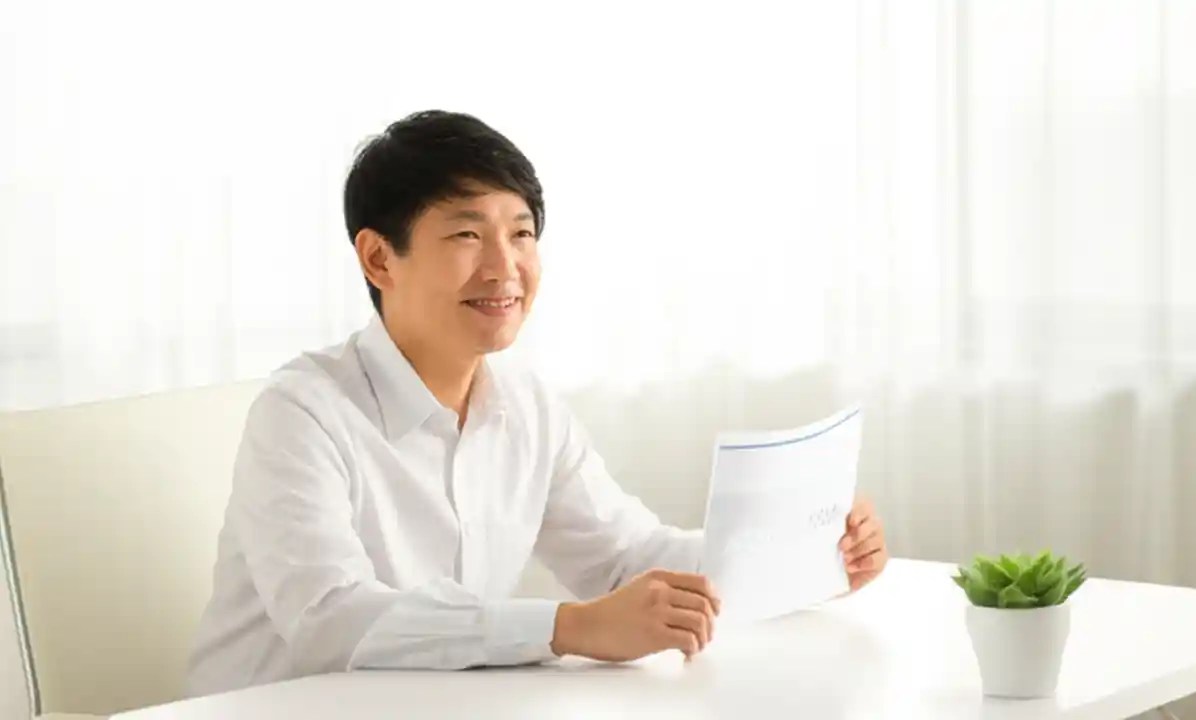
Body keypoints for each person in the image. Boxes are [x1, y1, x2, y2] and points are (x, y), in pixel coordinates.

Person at [187, 110, 889, 696]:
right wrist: (569, 626)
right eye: (466, 234)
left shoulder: (524, 405)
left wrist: (805, 550)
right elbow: (331, 621)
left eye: (520, 233)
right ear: (378, 259)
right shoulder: (303, 411)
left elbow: (629, 559)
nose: (505, 267)